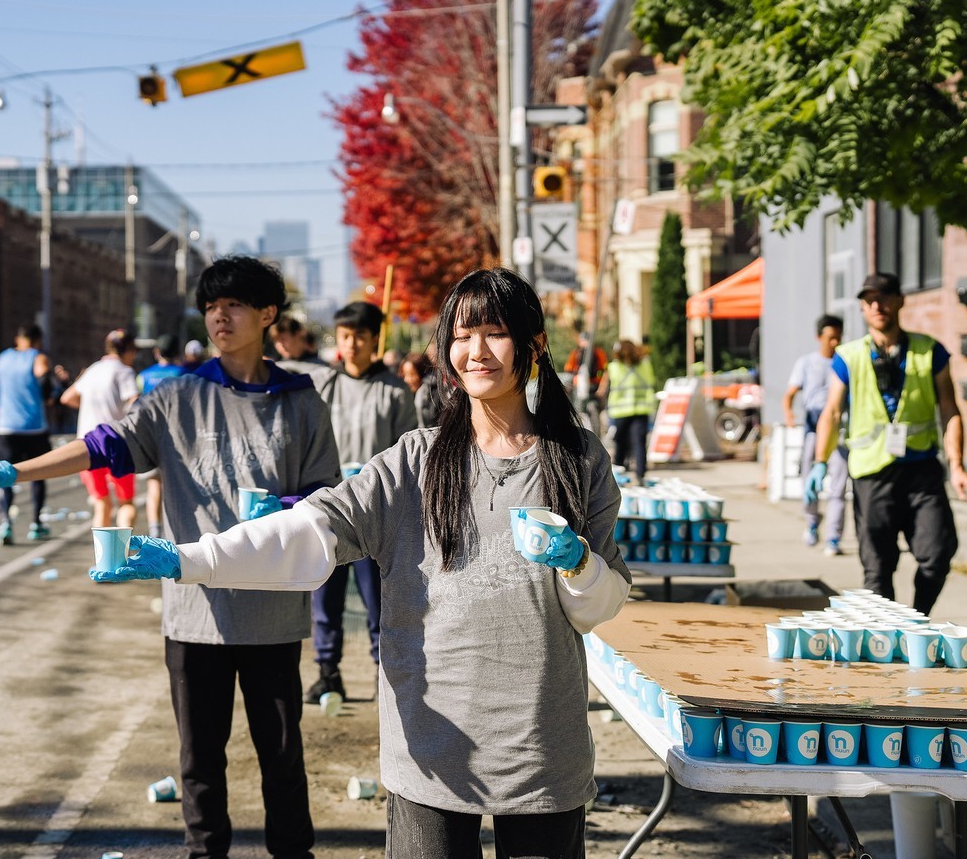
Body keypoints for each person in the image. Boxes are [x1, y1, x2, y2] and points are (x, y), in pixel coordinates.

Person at [89, 267, 630, 858]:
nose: (476, 352)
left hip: (540, 752)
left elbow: (597, 608)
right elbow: (307, 533)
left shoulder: (576, 459)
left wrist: (578, 563)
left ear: (534, 344)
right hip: (429, 755)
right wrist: (186, 559)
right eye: (461, 335)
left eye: (495, 333)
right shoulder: (413, 462)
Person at [0, 256, 340, 859]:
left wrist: (284, 506)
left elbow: (324, 493)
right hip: (194, 612)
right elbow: (102, 447)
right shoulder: (176, 397)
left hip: (272, 611)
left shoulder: (301, 400)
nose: (219, 317)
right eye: (211, 306)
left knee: (280, 754)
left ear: (267, 314)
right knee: (199, 759)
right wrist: (11, 472)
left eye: (233, 305)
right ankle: (206, 853)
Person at [809, 272, 967, 614]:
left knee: (938, 552)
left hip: (921, 471)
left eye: (884, 297)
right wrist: (820, 463)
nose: (877, 305)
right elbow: (831, 412)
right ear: (861, 308)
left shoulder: (930, 351)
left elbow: (949, 409)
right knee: (878, 571)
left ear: (900, 300)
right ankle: (889, 640)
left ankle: (917, 620)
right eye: (869, 300)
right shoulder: (849, 355)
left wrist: (957, 465)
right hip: (871, 474)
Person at [302, 301, 418, 703]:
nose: (350, 345)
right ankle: (327, 671)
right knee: (325, 596)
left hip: (376, 513)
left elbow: (409, 455)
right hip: (327, 509)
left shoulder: (395, 392)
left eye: (359, 337)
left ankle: (382, 673)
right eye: (345, 337)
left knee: (380, 602)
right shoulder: (324, 386)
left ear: (374, 340)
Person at [60, 330, 140, 529]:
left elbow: (67, 397)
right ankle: (122, 553)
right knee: (126, 503)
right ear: (128, 351)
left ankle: (102, 556)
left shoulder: (93, 369)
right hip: (117, 443)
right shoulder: (124, 371)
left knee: (101, 503)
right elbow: (135, 402)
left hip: (86, 445)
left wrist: (90, 406)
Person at [783, 315, 848, 556]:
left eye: (838, 338)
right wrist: (789, 413)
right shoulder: (807, 362)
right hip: (813, 426)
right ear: (819, 337)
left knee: (838, 487)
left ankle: (833, 537)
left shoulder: (845, 361)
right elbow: (789, 393)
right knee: (809, 481)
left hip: (838, 429)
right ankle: (812, 521)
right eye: (830, 337)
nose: (835, 343)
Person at [0, 324, 52, 544]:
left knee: (5, 475)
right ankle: (36, 524)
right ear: (36, 340)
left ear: (18, 339)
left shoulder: (1, 359)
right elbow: (45, 384)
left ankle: (5, 523)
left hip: (6, 426)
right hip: (34, 427)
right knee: (38, 474)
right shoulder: (37, 357)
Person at [135, 334, 187, 539]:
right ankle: (177, 529)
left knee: (154, 484)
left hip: (151, 437)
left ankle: (155, 530)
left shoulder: (143, 376)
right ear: (178, 352)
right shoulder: (183, 374)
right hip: (178, 438)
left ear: (157, 352)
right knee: (178, 485)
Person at [600, 339, 656, 482]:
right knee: (639, 443)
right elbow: (651, 383)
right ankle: (640, 475)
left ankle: (618, 476)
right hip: (642, 409)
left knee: (620, 443)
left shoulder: (613, 367)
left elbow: (603, 389)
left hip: (620, 412)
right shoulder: (645, 366)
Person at [399, 351, 442, 428]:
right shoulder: (411, 393)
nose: (406, 379)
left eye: (411, 375)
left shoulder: (429, 394)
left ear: (422, 373)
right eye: (405, 374)